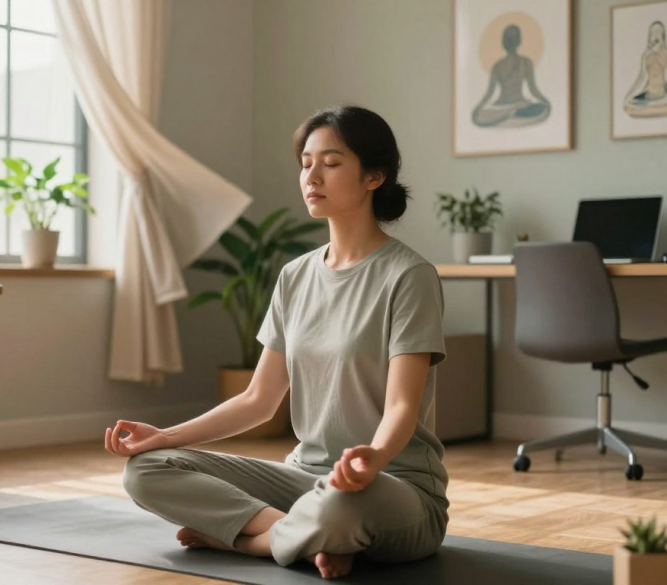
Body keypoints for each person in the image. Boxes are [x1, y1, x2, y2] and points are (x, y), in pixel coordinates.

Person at [105, 106, 449, 580]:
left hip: (391, 486)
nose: (312, 176)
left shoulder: (409, 276)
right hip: (304, 481)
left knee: (340, 506)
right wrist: (164, 436)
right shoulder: (295, 276)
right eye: (306, 163)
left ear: (374, 177)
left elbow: (402, 405)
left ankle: (255, 541)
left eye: (331, 163)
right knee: (147, 469)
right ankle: (306, 539)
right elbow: (257, 400)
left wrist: (374, 458)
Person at [471, 24, 551, 127]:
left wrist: (545, 101)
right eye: (508, 39)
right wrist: (478, 107)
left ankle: (507, 116)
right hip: (503, 107)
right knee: (480, 114)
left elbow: (533, 90)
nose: (510, 42)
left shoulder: (525, 63)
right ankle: (511, 115)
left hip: (518, 105)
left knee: (541, 107)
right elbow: (489, 93)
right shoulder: (498, 66)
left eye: (512, 39)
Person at [624, 21, 667, 118]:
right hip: (649, 94)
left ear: (663, 36)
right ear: (650, 36)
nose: (656, 37)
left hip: (663, 94)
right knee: (630, 104)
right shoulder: (646, 56)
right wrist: (630, 95)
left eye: (658, 33)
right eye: (653, 33)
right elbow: (641, 78)